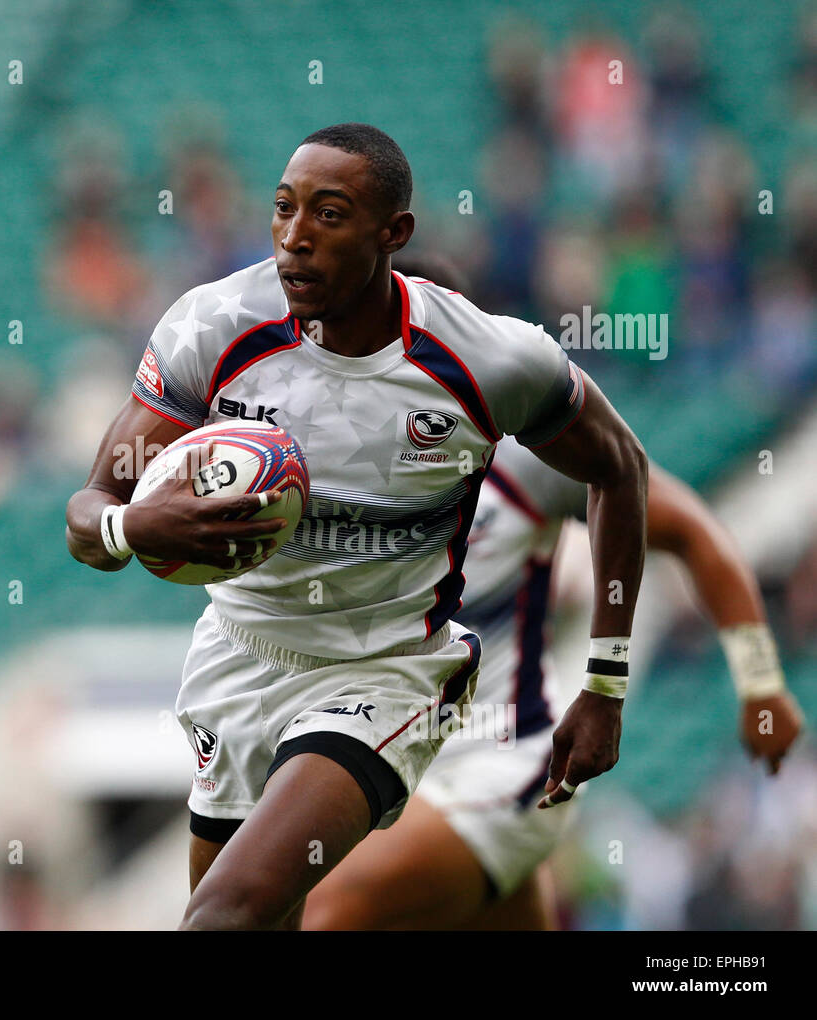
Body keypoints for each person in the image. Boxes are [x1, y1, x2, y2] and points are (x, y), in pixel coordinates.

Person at [66, 123, 649, 930]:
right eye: (282, 209)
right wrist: (135, 526)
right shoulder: (214, 326)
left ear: (393, 234)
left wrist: (606, 684)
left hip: (384, 673)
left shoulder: (487, 359)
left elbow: (619, 468)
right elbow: (87, 516)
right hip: (236, 658)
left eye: (329, 215)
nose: (295, 239)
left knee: (222, 916)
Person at [302, 436, 806, 929]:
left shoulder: (519, 454)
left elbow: (695, 531)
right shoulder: (330, 456)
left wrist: (760, 682)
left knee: (314, 906)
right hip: (382, 767)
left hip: (500, 767)